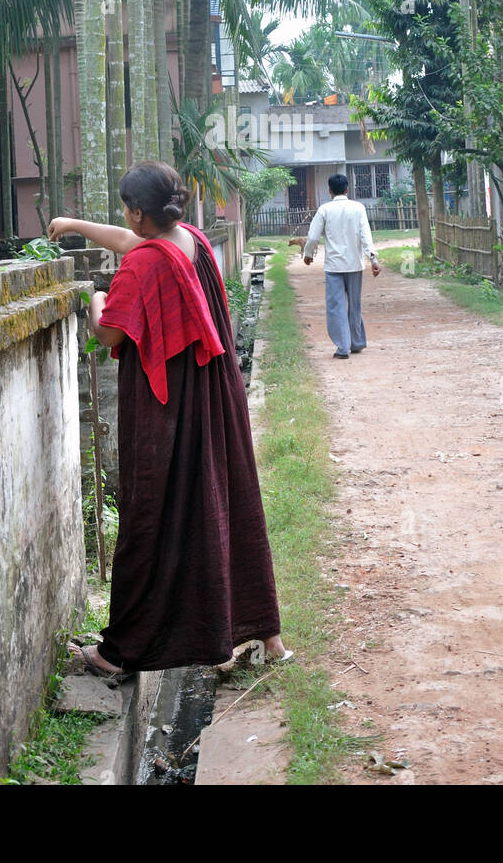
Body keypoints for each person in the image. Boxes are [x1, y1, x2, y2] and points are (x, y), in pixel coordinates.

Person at [48, 161, 290, 677]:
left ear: (138, 213)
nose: (125, 221)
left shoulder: (144, 266)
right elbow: (132, 241)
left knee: (150, 521)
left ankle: (116, 654)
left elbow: (110, 334)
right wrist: (74, 225)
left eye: (126, 212)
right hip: (214, 398)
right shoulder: (193, 242)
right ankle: (267, 637)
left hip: (168, 414)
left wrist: (94, 298)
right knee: (229, 501)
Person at [302, 173, 380, 359]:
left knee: (336, 306)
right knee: (355, 304)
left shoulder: (325, 209)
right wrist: (373, 260)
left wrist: (308, 254)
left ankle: (343, 347)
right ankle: (357, 342)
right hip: (355, 265)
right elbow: (365, 236)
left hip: (334, 267)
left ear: (329, 191)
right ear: (347, 189)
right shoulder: (358, 208)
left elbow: (313, 237)